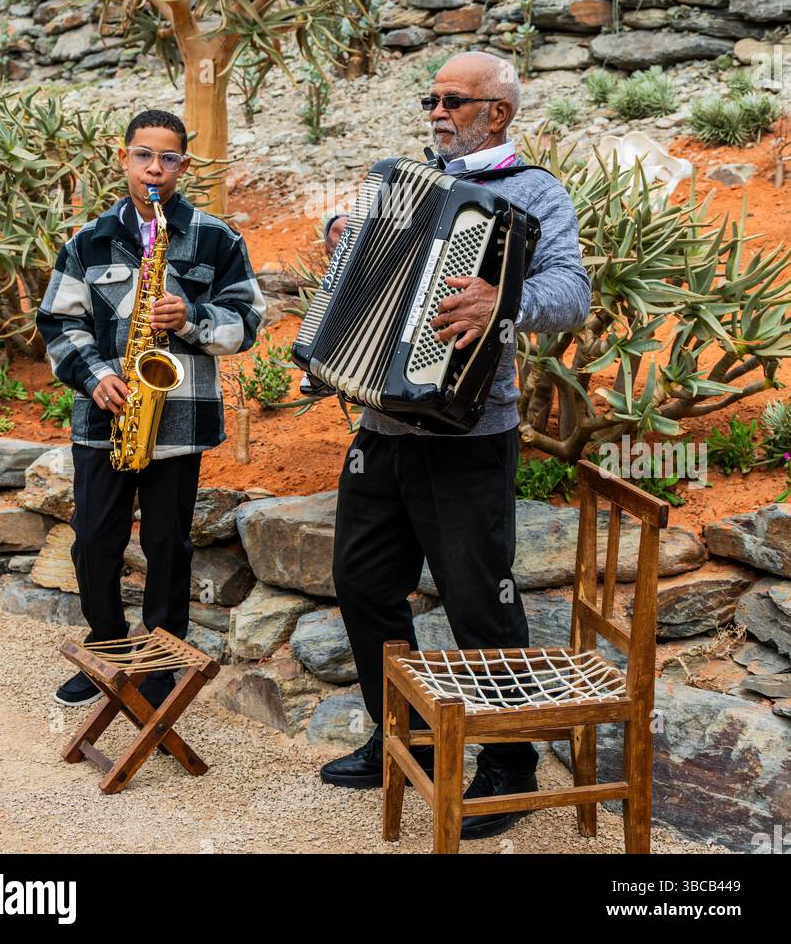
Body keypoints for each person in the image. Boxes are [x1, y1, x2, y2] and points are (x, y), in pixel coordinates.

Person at [319, 52, 592, 840]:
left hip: (470, 434)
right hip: (380, 424)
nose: (436, 110)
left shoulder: (534, 191)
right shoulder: (401, 180)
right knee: (363, 584)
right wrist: (338, 230)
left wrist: (501, 301)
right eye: (431, 98)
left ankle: (510, 765)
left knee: (478, 597)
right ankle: (403, 736)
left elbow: (571, 294)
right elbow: (350, 249)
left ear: (496, 113)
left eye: (453, 99)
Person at [37, 109, 265, 710]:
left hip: (178, 418)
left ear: (183, 166)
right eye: (143, 156)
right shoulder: (86, 242)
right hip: (103, 416)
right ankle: (107, 649)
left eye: (167, 158)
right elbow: (58, 322)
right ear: (124, 159)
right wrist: (96, 377)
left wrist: (191, 317)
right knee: (93, 542)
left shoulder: (218, 239)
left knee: (168, 544)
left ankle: (163, 656)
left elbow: (246, 324)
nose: (154, 169)